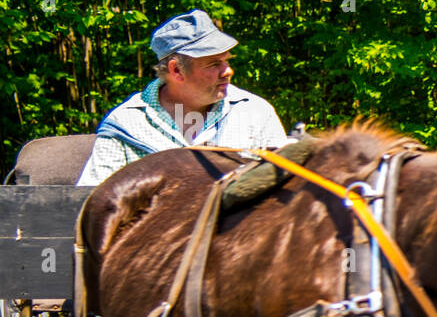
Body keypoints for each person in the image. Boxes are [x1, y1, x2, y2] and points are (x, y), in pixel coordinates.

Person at [77, 9, 287, 186]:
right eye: (214, 64)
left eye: (226, 61)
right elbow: (89, 203)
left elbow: (287, 192)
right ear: (176, 70)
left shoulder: (255, 113)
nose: (228, 71)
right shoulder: (126, 124)